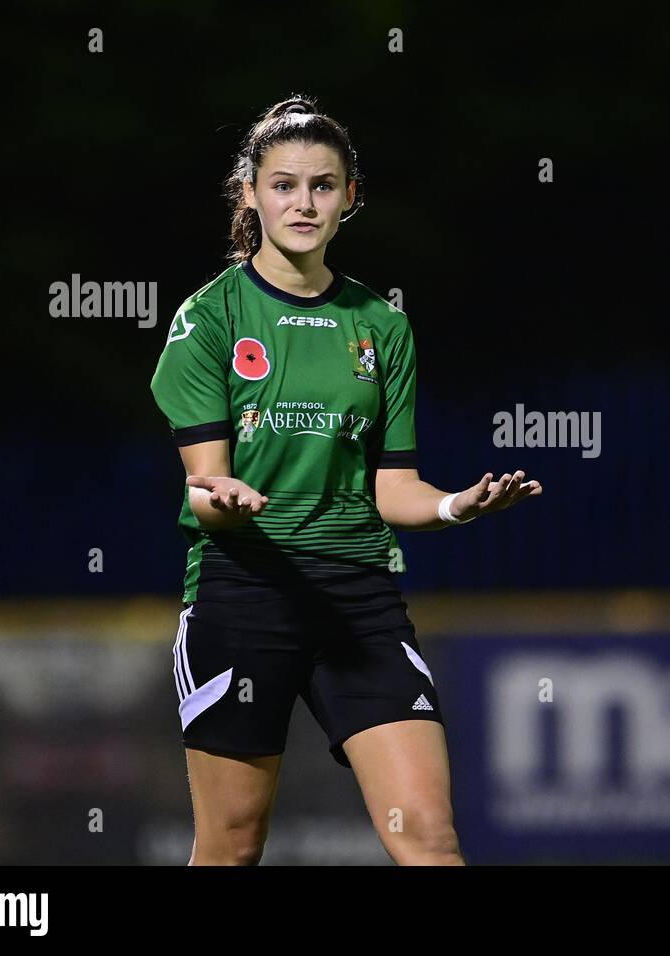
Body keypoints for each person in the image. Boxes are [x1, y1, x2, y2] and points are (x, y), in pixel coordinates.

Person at [149, 94, 541, 865]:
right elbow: (205, 487)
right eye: (285, 184)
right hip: (245, 590)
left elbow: (394, 487)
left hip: (358, 599)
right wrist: (222, 498)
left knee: (429, 835)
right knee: (230, 845)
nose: (303, 202)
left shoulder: (381, 325)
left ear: (350, 197)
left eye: (323, 186)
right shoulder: (210, 320)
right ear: (250, 194)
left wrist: (458, 504)